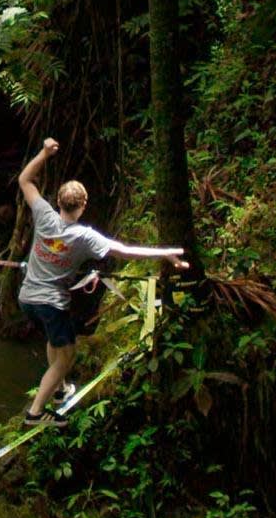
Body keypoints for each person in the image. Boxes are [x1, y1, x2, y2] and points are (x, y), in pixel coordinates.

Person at [15, 137, 187, 426]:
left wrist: (44, 153)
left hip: (27, 299)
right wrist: (165, 252)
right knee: (66, 357)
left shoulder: (44, 214)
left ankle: (60, 390)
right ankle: (35, 414)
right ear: (83, 205)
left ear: (58, 201)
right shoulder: (85, 237)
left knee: (54, 341)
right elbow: (126, 250)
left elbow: (24, 179)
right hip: (51, 303)